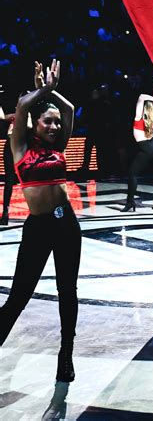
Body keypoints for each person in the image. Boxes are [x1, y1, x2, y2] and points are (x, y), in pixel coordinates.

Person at [0, 60, 81, 382]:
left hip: (67, 224)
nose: (55, 127)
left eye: (57, 123)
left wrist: (52, 92)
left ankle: (66, 355)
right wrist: (43, 90)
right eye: (48, 121)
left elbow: (70, 109)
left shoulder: (58, 146)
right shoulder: (19, 146)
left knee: (67, 292)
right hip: (38, 227)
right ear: (35, 123)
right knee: (19, 295)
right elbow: (22, 106)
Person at [1, 63, 45, 225]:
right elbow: (2, 117)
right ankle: (6, 211)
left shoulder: (30, 116)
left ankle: (36, 211)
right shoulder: (17, 114)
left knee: (27, 180)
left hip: (24, 146)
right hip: (12, 146)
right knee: (11, 179)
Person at [121, 79, 153, 212]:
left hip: (147, 147)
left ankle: (130, 202)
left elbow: (141, 97)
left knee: (132, 173)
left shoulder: (139, 117)